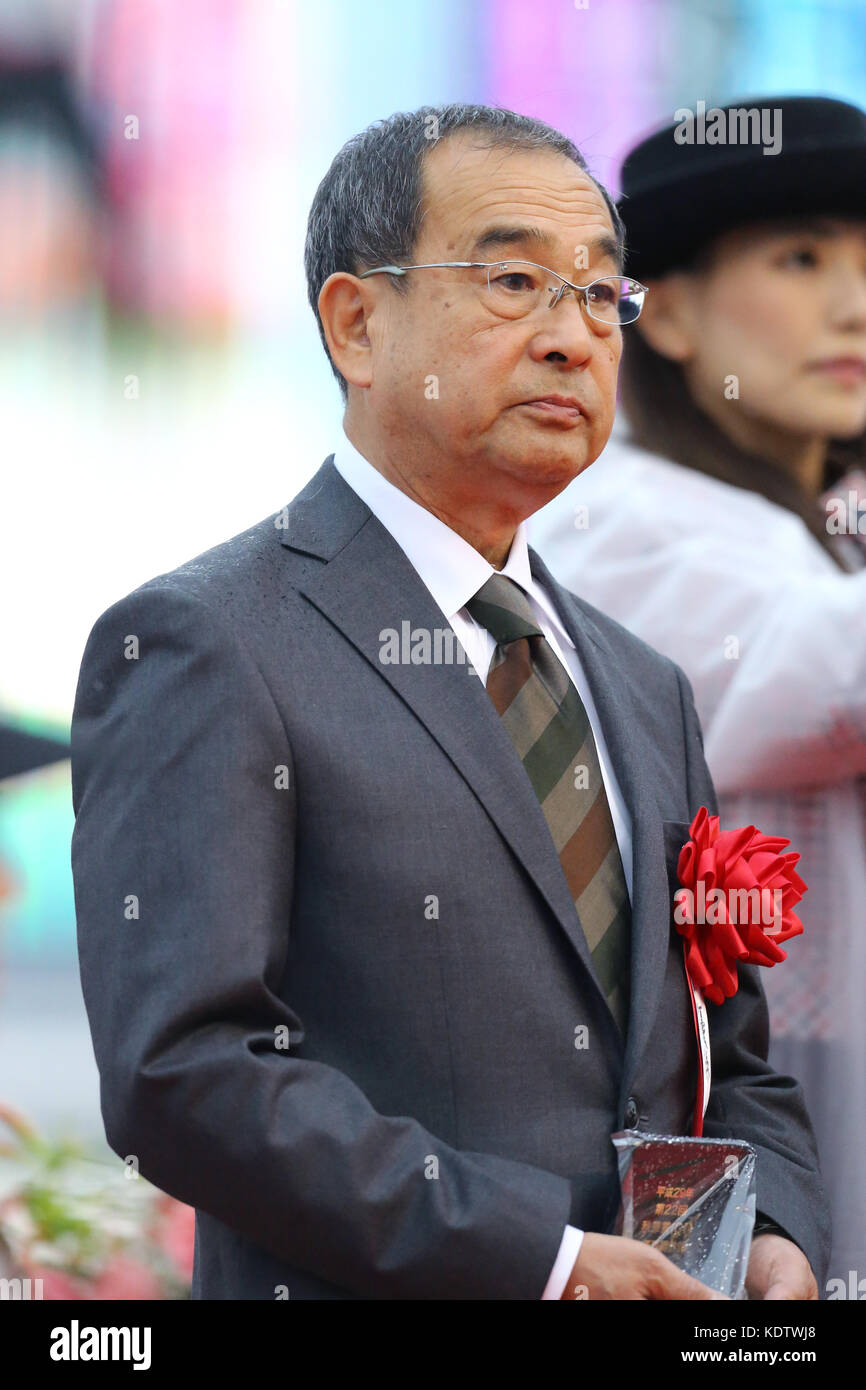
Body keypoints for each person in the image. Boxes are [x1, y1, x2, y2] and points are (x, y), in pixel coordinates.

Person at [71, 102, 829, 1301]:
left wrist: (775, 1227)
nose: (572, 337)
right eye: (515, 280)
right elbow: (187, 1074)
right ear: (356, 323)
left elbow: (724, 1059)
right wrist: (550, 1260)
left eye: (598, 295)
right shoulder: (206, 640)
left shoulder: (639, 685)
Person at [530, 94, 866, 1289]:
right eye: (800, 257)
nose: (853, 302)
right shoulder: (611, 522)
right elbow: (823, 668)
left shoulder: (830, 527)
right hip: (757, 1134)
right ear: (660, 311)